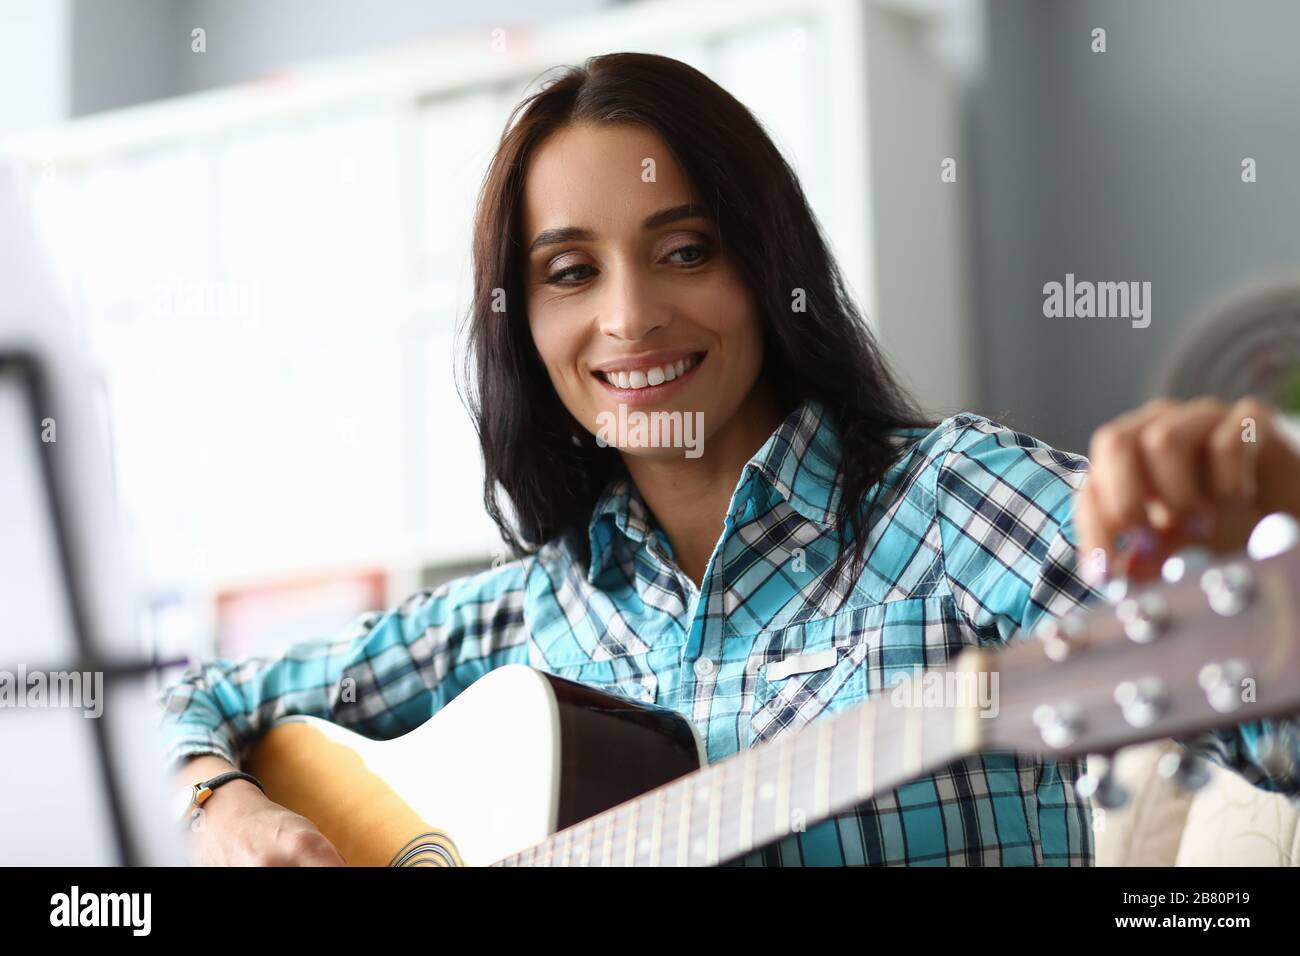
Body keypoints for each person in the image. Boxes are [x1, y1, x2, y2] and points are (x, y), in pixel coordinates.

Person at [158, 52, 1300, 866]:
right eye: (569, 271)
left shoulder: (953, 502)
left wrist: (1263, 533)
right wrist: (219, 805)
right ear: (521, 325)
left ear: (766, 265)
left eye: (684, 249)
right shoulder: (515, 621)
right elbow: (195, 698)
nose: (630, 315)